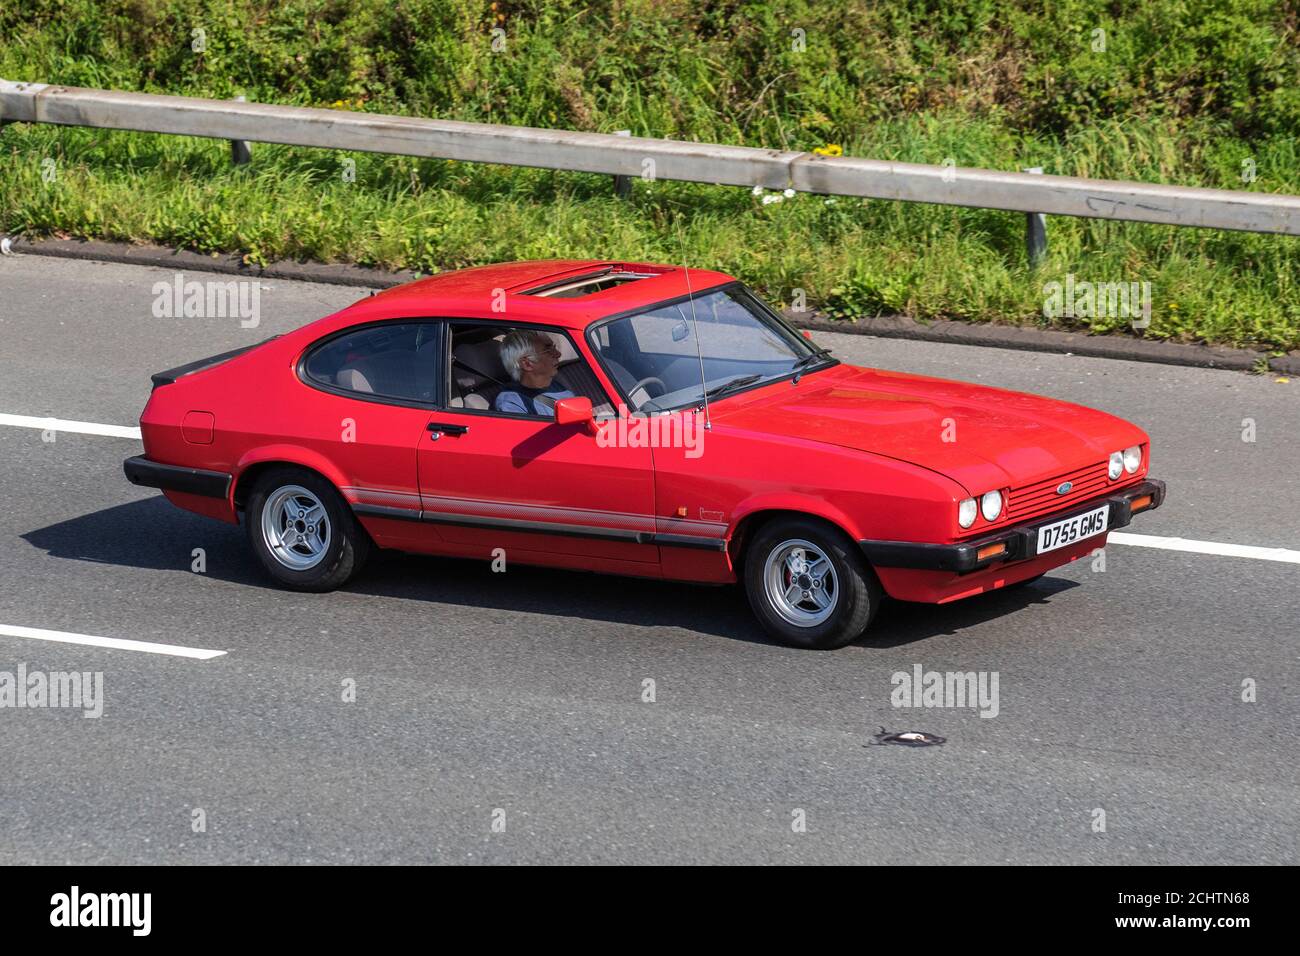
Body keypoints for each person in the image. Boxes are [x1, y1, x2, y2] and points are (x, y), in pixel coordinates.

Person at [494, 329, 575, 415]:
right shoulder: (512, 403)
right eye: (548, 350)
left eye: (554, 347)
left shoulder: (555, 385)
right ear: (527, 364)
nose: (558, 354)